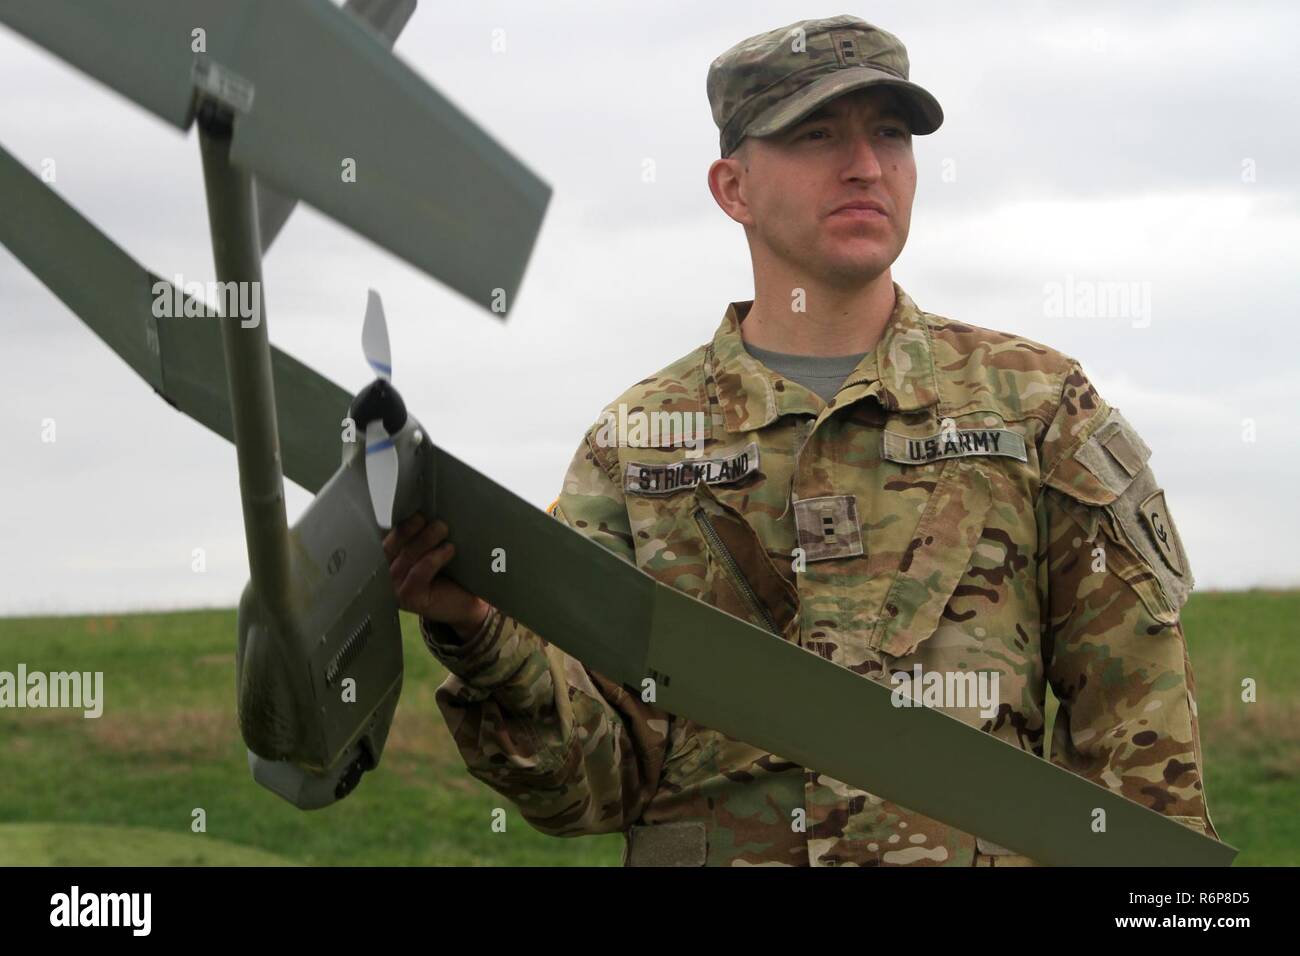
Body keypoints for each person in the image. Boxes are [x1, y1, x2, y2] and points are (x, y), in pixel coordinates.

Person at [383, 15, 1220, 866]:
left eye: (888, 134)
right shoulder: (636, 446)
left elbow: (1140, 747)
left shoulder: (1038, 407)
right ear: (732, 188)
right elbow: (588, 785)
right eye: (816, 135)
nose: (865, 166)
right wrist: (484, 630)